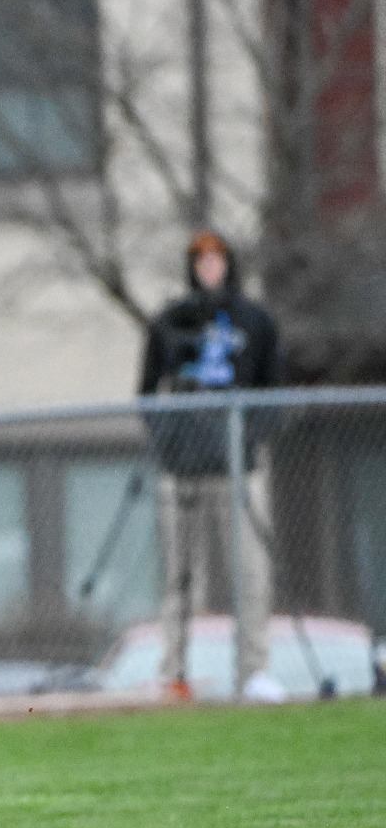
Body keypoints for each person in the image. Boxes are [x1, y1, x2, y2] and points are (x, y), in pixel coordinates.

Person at [138, 229, 283, 701]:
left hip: (239, 468)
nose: (209, 267)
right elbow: (146, 391)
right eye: (200, 260)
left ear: (229, 264)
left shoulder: (255, 322)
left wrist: (248, 440)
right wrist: (169, 441)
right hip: (182, 469)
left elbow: (273, 394)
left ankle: (254, 673)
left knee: (250, 574)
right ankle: (174, 674)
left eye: (216, 258)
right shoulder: (170, 321)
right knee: (180, 577)